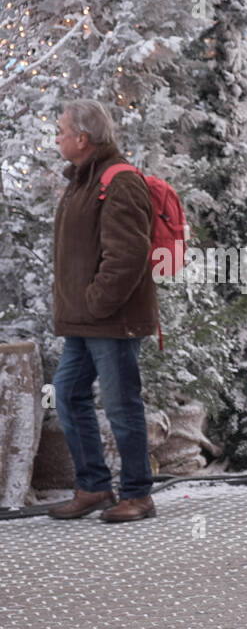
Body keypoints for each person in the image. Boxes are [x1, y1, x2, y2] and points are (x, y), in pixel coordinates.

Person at [47, 99, 157, 523]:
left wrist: (96, 301)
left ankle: (138, 494)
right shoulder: (81, 181)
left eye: (60, 130)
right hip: (84, 321)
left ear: (82, 138)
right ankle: (93, 486)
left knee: (120, 404)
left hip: (111, 320)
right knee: (68, 395)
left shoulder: (119, 180)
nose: (56, 138)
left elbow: (128, 255)